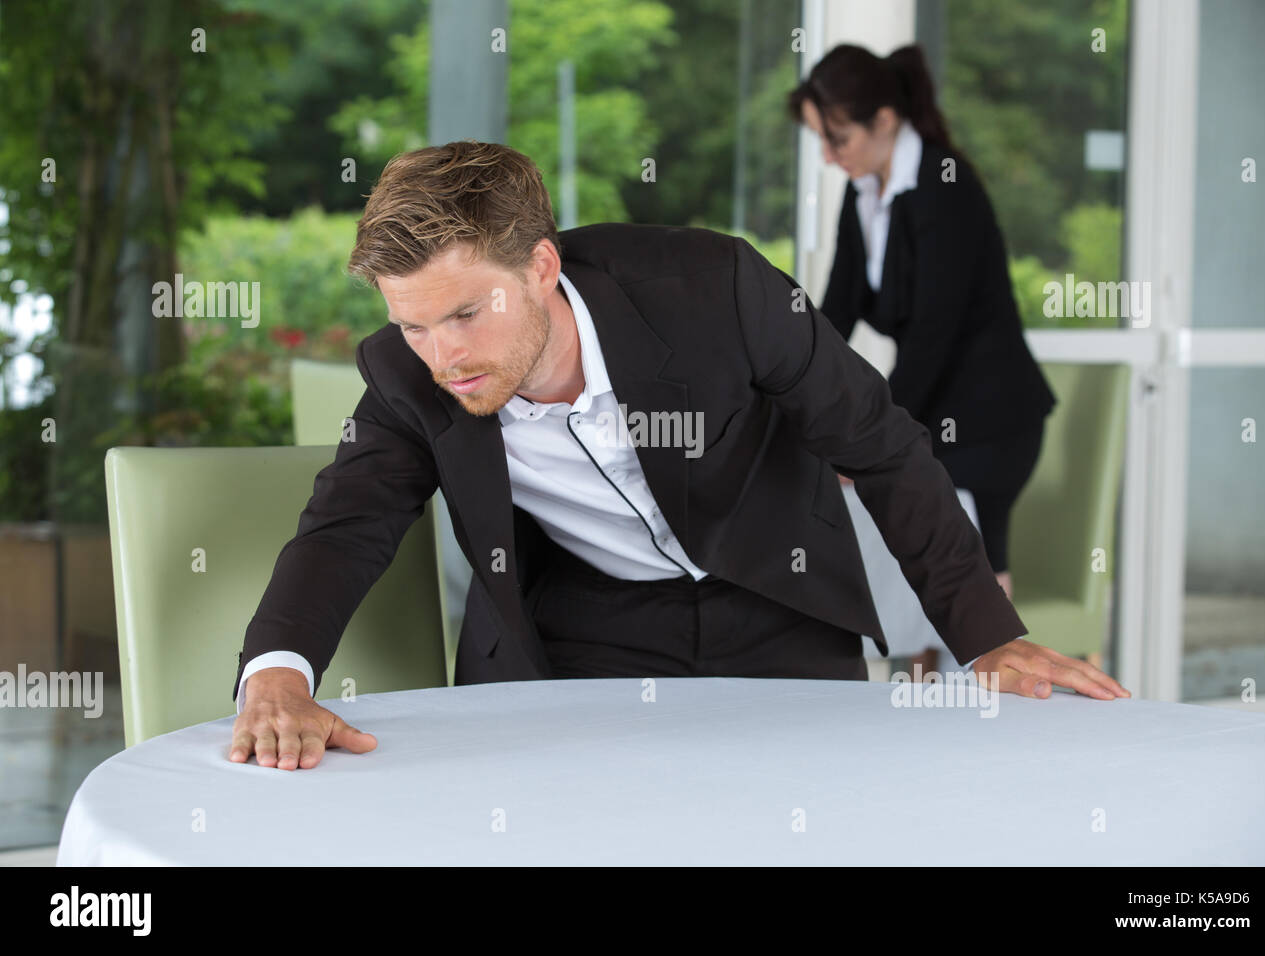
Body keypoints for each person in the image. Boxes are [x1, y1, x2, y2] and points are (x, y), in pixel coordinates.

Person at [227, 141, 1126, 771]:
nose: (443, 355)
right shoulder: (405, 374)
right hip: (582, 630)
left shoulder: (718, 291)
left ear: (541, 266)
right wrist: (276, 676)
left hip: (778, 597)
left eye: (466, 315)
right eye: (413, 323)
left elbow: (884, 448)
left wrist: (989, 639)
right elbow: (343, 529)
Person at [787, 43, 1057, 673]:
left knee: (959, 543)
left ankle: (992, 711)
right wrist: (790, 387)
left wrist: (872, 434)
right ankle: (924, 695)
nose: (828, 156)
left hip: (992, 419)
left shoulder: (944, 185)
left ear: (885, 121)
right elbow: (837, 311)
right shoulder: (867, 194)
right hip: (938, 404)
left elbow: (934, 336)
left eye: (838, 137)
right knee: (880, 512)